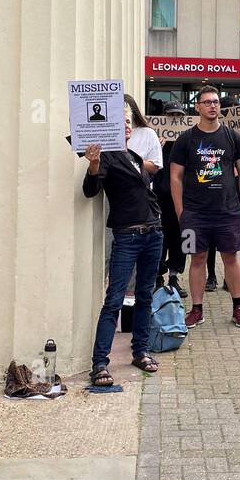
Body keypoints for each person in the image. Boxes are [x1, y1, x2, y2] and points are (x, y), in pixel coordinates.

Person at [83, 120, 163, 379]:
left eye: (128, 121)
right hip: (127, 236)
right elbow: (90, 190)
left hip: (153, 233)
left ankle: (140, 351)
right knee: (114, 299)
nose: (127, 125)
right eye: (121, 122)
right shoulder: (106, 156)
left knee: (145, 296)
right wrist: (93, 165)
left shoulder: (133, 155)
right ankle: (99, 363)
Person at [169, 85, 240, 329]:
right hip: (194, 213)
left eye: (215, 101)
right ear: (198, 107)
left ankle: (238, 308)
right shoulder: (186, 140)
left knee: (231, 257)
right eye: (207, 102)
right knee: (197, 258)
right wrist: (179, 210)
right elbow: (175, 177)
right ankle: (196, 310)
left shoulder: (233, 137)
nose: (212, 105)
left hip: (228, 211)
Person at [153, 104, 188, 298]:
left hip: (182, 199)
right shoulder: (156, 141)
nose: (174, 119)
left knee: (179, 238)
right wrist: (157, 147)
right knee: (160, 238)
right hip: (159, 198)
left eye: (178, 116)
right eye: (170, 115)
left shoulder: (185, 141)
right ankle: (158, 277)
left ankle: (174, 277)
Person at [123, 94, 161, 175]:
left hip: (141, 185)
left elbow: (155, 167)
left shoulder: (148, 133)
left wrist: (129, 160)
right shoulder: (110, 135)